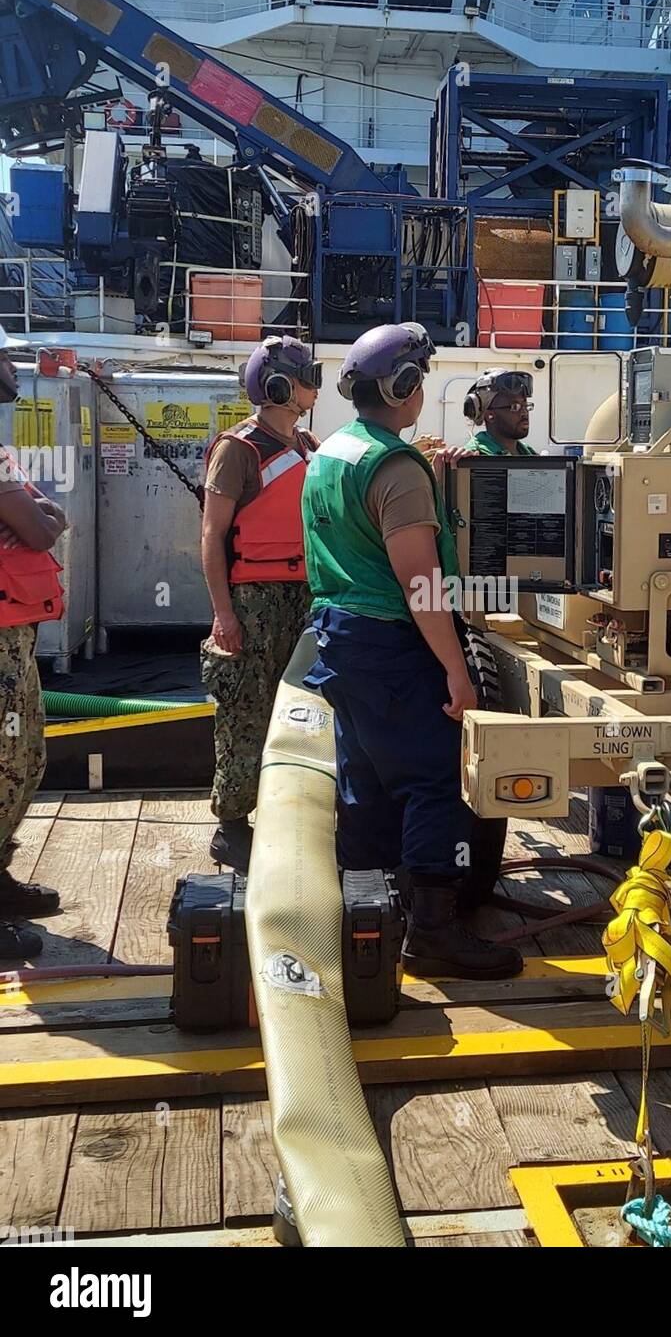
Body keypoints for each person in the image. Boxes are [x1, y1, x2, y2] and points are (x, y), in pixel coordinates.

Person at [302, 322, 522, 981]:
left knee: (366, 784)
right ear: (404, 387)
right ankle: (431, 930)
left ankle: (366, 915)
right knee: (436, 781)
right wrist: (457, 670)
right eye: (419, 378)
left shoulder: (336, 450)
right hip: (394, 644)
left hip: (341, 637)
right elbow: (421, 584)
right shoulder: (396, 469)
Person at [201, 336, 322, 871]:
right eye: (303, 376)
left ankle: (287, 812)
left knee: (299, 708)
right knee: (246, 712)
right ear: (277, 386)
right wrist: (223, 614)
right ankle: (231, 826)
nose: (312, 384)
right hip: (253, 600)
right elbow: (211, 536)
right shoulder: (238, 450)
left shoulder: (307, 445)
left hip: (304, 594)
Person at [0, 323, 67, 959]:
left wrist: (34, 516)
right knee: (6, 760)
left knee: (25, 757)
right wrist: (32, 518)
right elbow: (42, 529)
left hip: (14, 634)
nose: (12, 370)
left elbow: (49, 514)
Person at [463, 368, 538, 456]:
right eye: (515, 407)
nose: (524, 413)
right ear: (490, 416)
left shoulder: (527, 452)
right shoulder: (475, 456)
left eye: (525, 405)